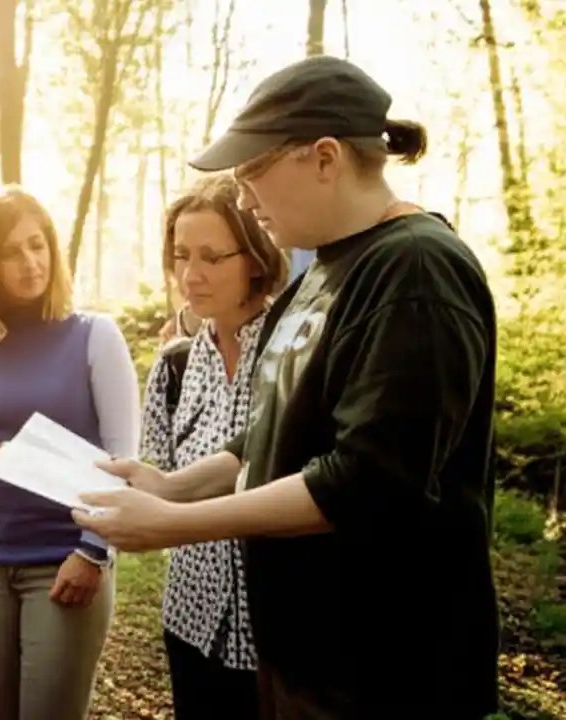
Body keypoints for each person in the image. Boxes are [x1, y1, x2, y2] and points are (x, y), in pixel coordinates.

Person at [75, 56, 500, 718]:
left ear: (324, 158)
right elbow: (278, 425)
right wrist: (175, 484)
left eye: (252, 173)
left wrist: (178, 524)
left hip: (386, 670)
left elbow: (365, 480)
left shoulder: (415, 270)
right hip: (304, 657)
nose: (244, 198)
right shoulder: (321, 272)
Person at [0, 185, 140, 720]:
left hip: (65, 560)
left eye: (38, 244)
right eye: (11, 251)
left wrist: (93, 552)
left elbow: (123, 462)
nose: (30, 261)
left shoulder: (95, 336)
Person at [142, 174, 286, 719]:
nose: (190, 276)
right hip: (191, 617)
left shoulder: (295, 350)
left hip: (276, 631)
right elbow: (157, 472)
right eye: (181, 256)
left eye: (211, 257)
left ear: (253, 257)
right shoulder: (175, 365)